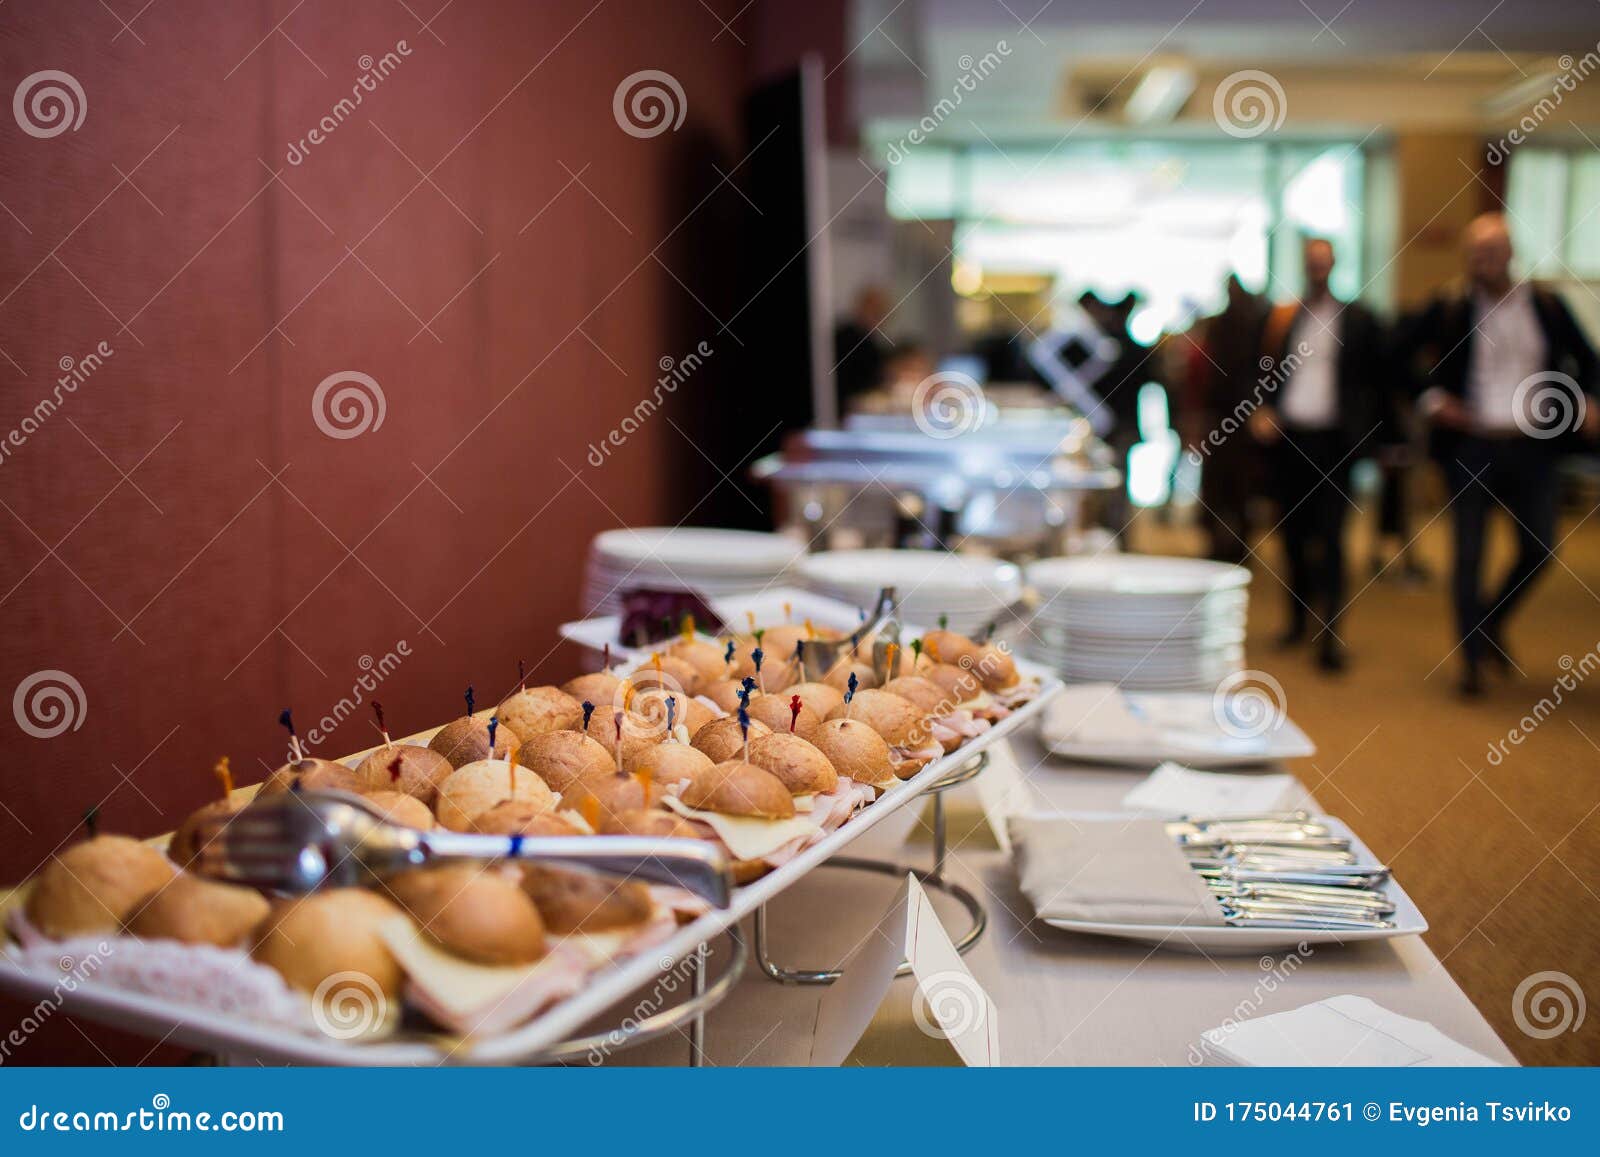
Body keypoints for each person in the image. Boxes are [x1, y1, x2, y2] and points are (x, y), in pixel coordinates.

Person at [1405, 213, 1599, 697]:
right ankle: (1470, 662)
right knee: (1468, 555)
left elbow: (1589, 361)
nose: (1479, 262)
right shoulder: (1451, 307)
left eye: (1489, 253)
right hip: (1472, 446)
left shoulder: (1547, 306)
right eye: (1472, 254)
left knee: (1539, 549)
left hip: (1532, 445)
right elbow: (1395, 355)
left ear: (1510, 254)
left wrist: (1589, 400)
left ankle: (1490, 620)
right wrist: (1432, 400)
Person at [1248, 238, 1386, 672]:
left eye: (1323, 264)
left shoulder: (1358, 319)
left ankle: (1330, 633)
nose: (1317, 271)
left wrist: (1368, 437)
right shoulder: (1283, 317)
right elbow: (1263, 370)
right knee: (1291, 535)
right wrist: (1262, 409)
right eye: (1311, 264)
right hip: (1290, 441)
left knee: (1331, 538)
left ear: (1334, 266)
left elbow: (1375, 384)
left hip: (1334, 445)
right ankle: (1296, 619)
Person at [1190, 275, 1269, 563]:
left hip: (1238, 420)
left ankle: (1233, 545)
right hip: (1226, 418)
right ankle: (1227, 545)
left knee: (1234, 491)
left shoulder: (1248, 325)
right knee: (1224, 491)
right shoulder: (1228, 324)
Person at [833, 286, 893, 410]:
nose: (879, 317)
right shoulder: (846, 338)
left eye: (882, 312)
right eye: (875, 311)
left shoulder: (871, 343)